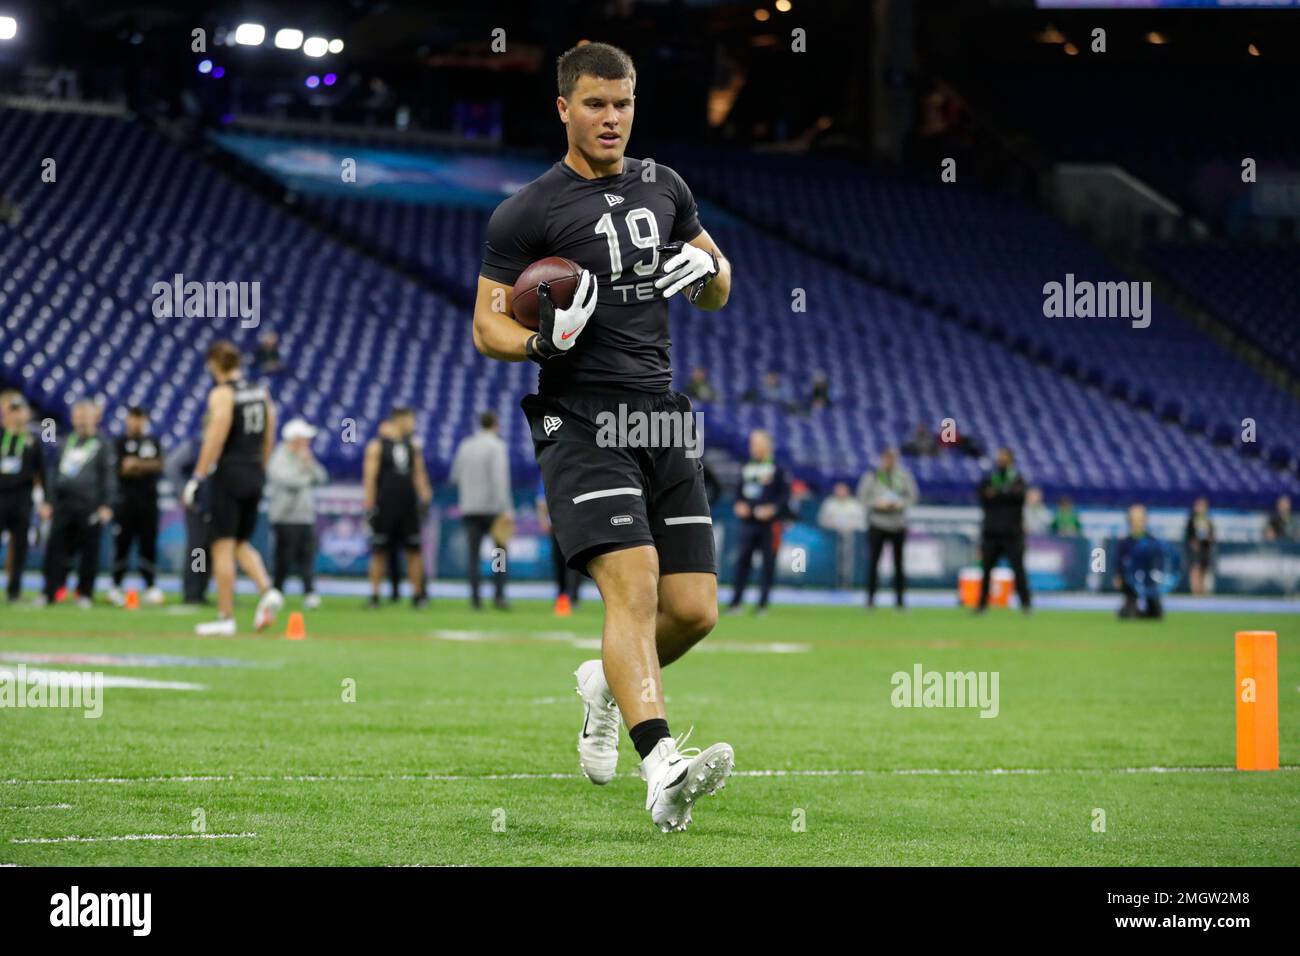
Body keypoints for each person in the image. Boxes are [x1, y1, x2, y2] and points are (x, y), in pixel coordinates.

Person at [472, 42, 735, 831]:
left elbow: (719, 286)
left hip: (658, 410)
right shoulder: (526, 210)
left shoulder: (667, 187)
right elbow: (488, 325)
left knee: (693, 611)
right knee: (636, 584)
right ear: (563, 108)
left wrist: (709, 276)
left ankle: (603, 686)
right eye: (594, 104)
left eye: (622, 104)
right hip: (581, 415)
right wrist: (541, 344)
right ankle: (662, 766)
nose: (611, 118)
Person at [182, 340, 283, 636]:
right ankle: (268, 590)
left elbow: (217, 433)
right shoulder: (259, 390)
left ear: (215, 364)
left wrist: (198, 476)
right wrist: (261, 466)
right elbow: (270, 430)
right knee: (240, 542)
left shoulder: (223, 393)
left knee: (222, 545)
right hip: (254, 470)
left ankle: (225, 617)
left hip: (230, 471)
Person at [41, 400, 115, 608]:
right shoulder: (65, 442)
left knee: (89, 552)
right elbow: (53, 474)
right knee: (55, 549)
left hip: (89, 505)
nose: (82, 419)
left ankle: (84, 593)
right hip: (63, 504)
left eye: (86, 414)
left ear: (95, 417)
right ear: (72, 418)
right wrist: (48, 501)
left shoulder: (103, 444)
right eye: (78, 415)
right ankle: (50, 592)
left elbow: (108, 477)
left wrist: (106, 504)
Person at [363, 407, 431, 608]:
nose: (413, 424)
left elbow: (419, 473)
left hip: (408, 506)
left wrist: (425, 498)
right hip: (385, 506)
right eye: (410, 420)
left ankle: (418, 596)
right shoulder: (377, 446)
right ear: (400, 420)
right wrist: (369, 505)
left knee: (414, 551)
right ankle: (374, 595)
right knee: (379, 552)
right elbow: (370, 477)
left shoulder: (413, 446)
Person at [451, 410, 513, 610]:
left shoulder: (465, 445)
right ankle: (499, 596)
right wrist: (506, 508)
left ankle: (475, 599)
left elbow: (455, 477)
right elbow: (499, 479)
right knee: (499, 554)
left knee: (473, 555)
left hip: (470, 508)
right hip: (494, 509)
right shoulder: (497, 446)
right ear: (495, 424)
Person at [268, 418, 328, 609]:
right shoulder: (280, 456)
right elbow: (285, 480)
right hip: (285, 516)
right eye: (304, 437)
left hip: (305, 516)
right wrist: (305, 475)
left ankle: (309, 592)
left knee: (307, 557)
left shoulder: (305, 456)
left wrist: (308, 465)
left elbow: (321, 478)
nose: (308, 441)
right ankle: (276, 592)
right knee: (283, 558)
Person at [727, 429, 788, 615]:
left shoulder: (778, 468)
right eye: (752, 443)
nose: (752, 447)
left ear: (767, 446)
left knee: (768, 563)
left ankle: (762, 605)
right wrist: (738, 504)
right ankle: (736, 603)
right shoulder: (746, 465)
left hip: (769, 525)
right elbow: (739, 491)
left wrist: (772, 509)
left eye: (756, 443)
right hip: (748, 523)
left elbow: (785, 496)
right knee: (742, 562)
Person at [108, 406, 165, 607]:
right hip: (124, 502)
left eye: (140, 418)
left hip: (148, 502)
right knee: (122, 544)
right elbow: (120, 469)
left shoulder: (153, 441)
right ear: (127, 420)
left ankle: (150, 585)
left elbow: (160, 465)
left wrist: (136, 465)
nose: (136, 422)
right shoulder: (118, 442)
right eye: (133, 418)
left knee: (148, 544)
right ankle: (116, 585)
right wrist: (145, 466)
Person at [858, 448, 918, 609]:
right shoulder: (872, 475)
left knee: (899, 564)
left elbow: (912, 496)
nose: (889, 461)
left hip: (898, 523)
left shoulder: (903, 476)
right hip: (878, 522)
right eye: (887, 458)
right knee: (873, 563)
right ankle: (870, 599)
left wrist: (900, 504)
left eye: (892, 458)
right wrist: (877, 504)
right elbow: (863, 497)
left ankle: (900, 601)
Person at [975, 447, 1031, 613]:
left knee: (1018, 569)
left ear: (1011, 459)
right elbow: (983, 496)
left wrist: (997, 494)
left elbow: (1018, 497)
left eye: (1003, 457)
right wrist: (1005, 493)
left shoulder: (1017, 478)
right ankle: (982, 604)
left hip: (1012, 533)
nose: (1000, 459)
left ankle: (1026, 604)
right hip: (991, 532)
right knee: (985, 571)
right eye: (999, 456)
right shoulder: (989, 477)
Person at [0, 391, 43, 602]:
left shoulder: (33, 440)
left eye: (19, 411)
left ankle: (13, 591)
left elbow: (42, 472)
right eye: (12, 411)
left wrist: (47, 501)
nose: (15, 416)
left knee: (19, 547)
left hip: (22, 498)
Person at [167, 433, 210, 604]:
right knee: (198, 550)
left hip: (218, 507)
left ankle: (203, 590)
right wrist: (183, 491)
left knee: (213, 551)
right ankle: (193, 592)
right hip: (198, 507)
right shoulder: (194, 447)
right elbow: (172, 465)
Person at [537, 475, 579, 615]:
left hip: (572, 522)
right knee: (561, 560)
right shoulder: (550, 471)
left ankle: (571, 595)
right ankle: (564, 594)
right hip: (558, 523)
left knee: (572, 560)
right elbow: (542, 500)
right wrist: (544, 520)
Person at [1117, 504, 1165, 620]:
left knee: (1156, 614)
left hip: (1148, 581)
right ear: (1130, 521)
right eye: (1134, 520)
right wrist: (1118, 576)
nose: (1137, 523)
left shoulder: (1152, 541)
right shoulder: (1125, 542)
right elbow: (1119, 562)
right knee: (1130, 615)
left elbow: (1158, 563)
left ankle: (1149, 608)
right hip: (1131, 582)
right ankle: (1129, 607)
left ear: (1145, 520)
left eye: (1140, 519)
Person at [816, 481, 865, 589]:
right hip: (832, 536)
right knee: (833, 559)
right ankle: (832, 582)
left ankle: (847, 583)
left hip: (850, 535)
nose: (841, 492)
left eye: (843, 490)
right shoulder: (829, 503)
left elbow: (861, 523)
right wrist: (833, 526)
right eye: (839, 490)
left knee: (848, 560)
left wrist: (850, 527)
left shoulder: (855, 504)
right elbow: (822, 520)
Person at [1184, 496, 1215, 596]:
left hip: (1205, 548)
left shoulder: (1208, 520)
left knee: (1204, 569)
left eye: (1203, 506)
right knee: (1195, 568)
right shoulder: (1191, 519)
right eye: (1199, 505)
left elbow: (1212, 535)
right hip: (1195, 549)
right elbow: (1188, 534)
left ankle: (1202, 590)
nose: (1200, 508)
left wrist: (1210, 539)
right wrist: (1193, 542)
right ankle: (1195, 590)